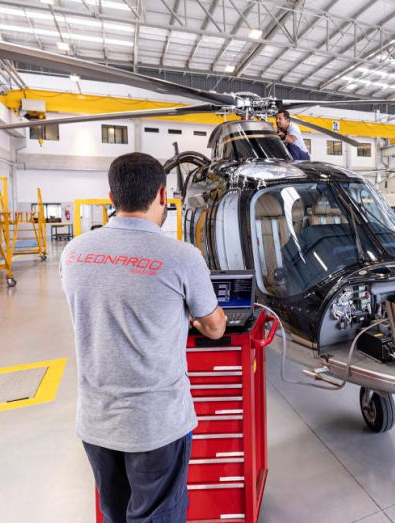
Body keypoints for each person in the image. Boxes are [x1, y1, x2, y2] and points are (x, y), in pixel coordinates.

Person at [60, 152, 227, 523]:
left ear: (111, 197)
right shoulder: (182, 256)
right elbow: (215, 326)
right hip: (156, 425)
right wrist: (191, 319)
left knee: (115, 514)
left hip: (96, 422)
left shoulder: (73, 253)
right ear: (163, 194)